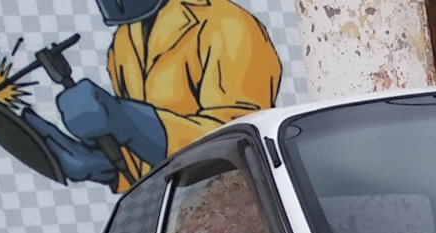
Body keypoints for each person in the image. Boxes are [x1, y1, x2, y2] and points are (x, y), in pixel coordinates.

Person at [24, 0, 284, 190]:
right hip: (176, 213)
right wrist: (108, 168)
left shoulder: (227, 25)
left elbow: (238, 141)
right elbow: (151, 165)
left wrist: (133, 124)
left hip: (235, 205)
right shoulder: (125, 40)